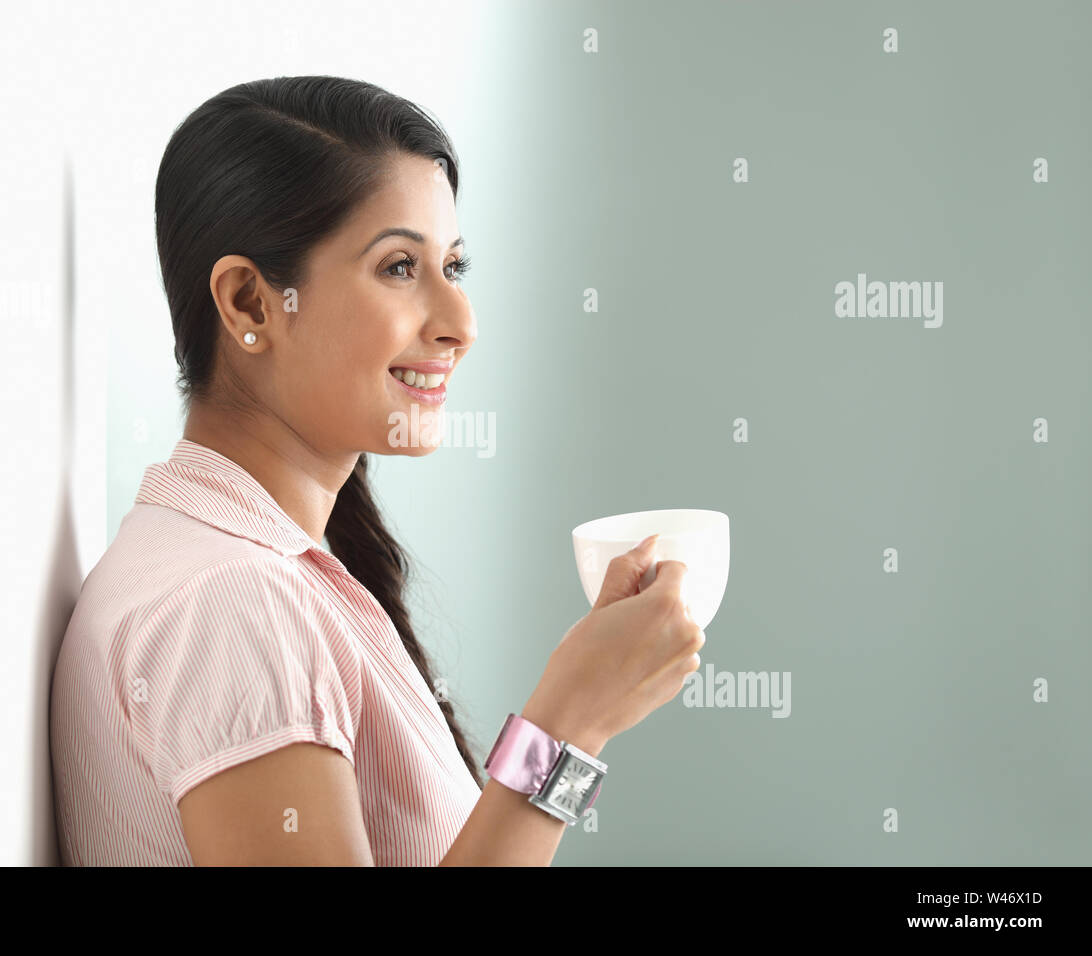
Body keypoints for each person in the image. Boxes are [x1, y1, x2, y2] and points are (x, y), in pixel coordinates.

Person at [49, 75, 704, 866]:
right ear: (251, 303)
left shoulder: (237, 570)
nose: (461, 323)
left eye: (452, 267)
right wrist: (569, 726)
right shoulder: (232, 602)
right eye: (398, 267)